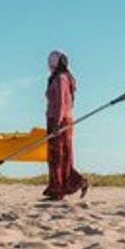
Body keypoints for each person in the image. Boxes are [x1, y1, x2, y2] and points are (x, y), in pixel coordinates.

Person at [43, 50, 89, 201]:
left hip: (59, 121)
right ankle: (71, 184)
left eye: (53, 59)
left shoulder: (62, 78)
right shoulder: (57, 78)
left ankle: (58, 190)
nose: (50, 62)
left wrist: (57, 122)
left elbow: (62, 103)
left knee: (58, 157)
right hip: (58, 120)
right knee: (60, 157)